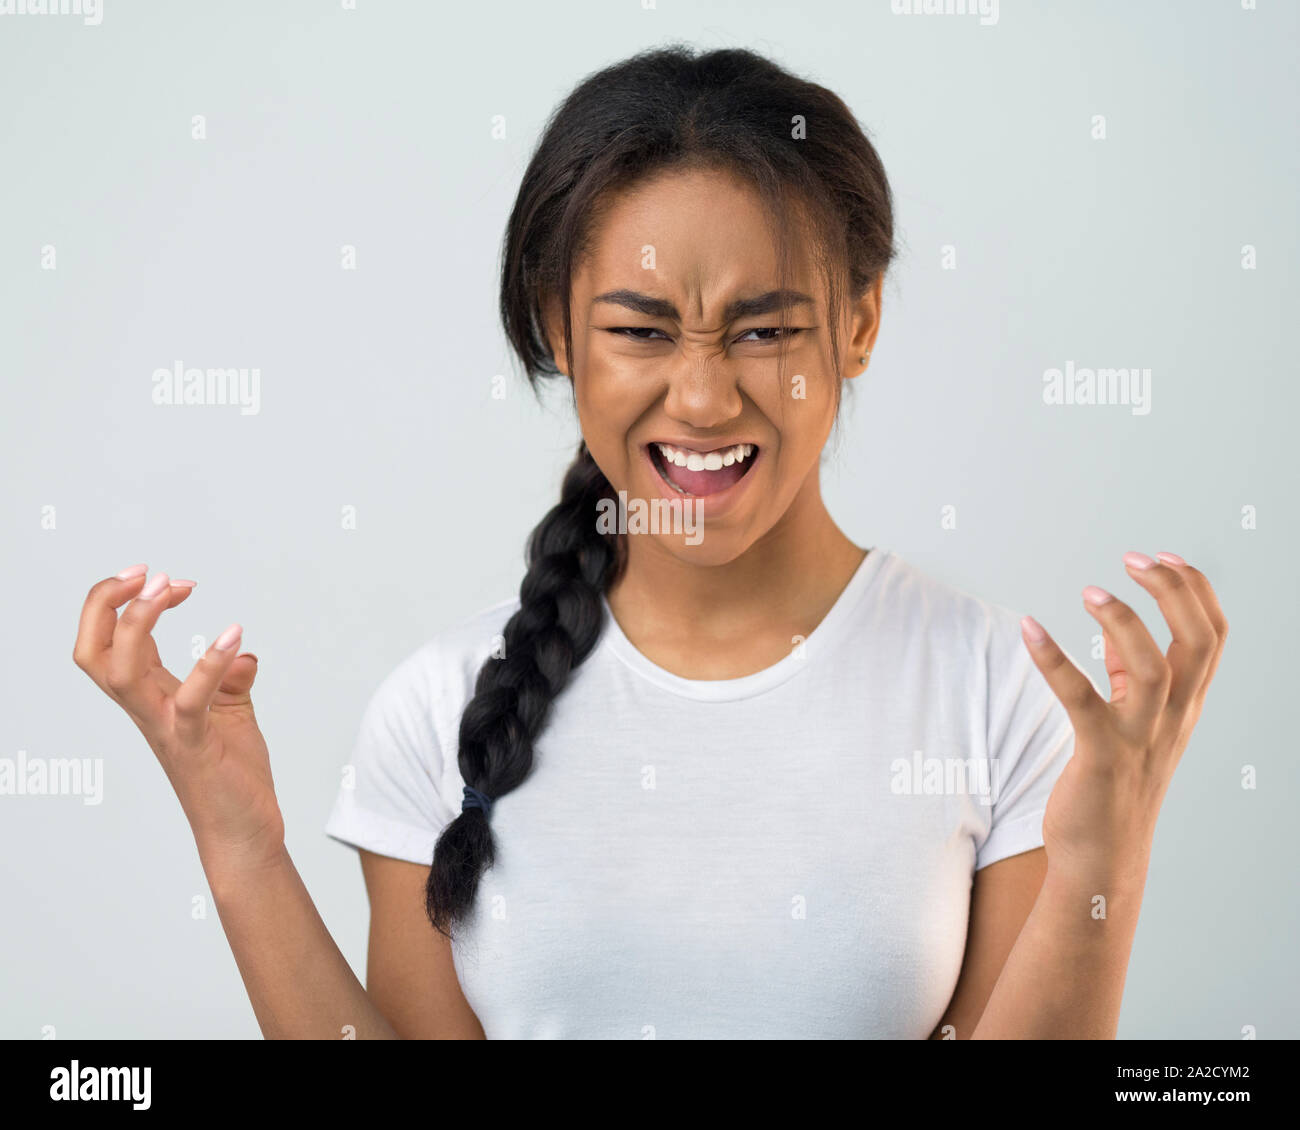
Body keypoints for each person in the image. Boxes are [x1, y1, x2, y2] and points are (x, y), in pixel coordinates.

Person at [73, 45, 1227, 1039]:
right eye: (639, 329)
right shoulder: (436, 713)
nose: (704, 394)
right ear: (555, 327)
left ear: (860, 322)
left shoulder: (992, 691)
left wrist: (1100, 856)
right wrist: (240, 840)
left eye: (765, 327)